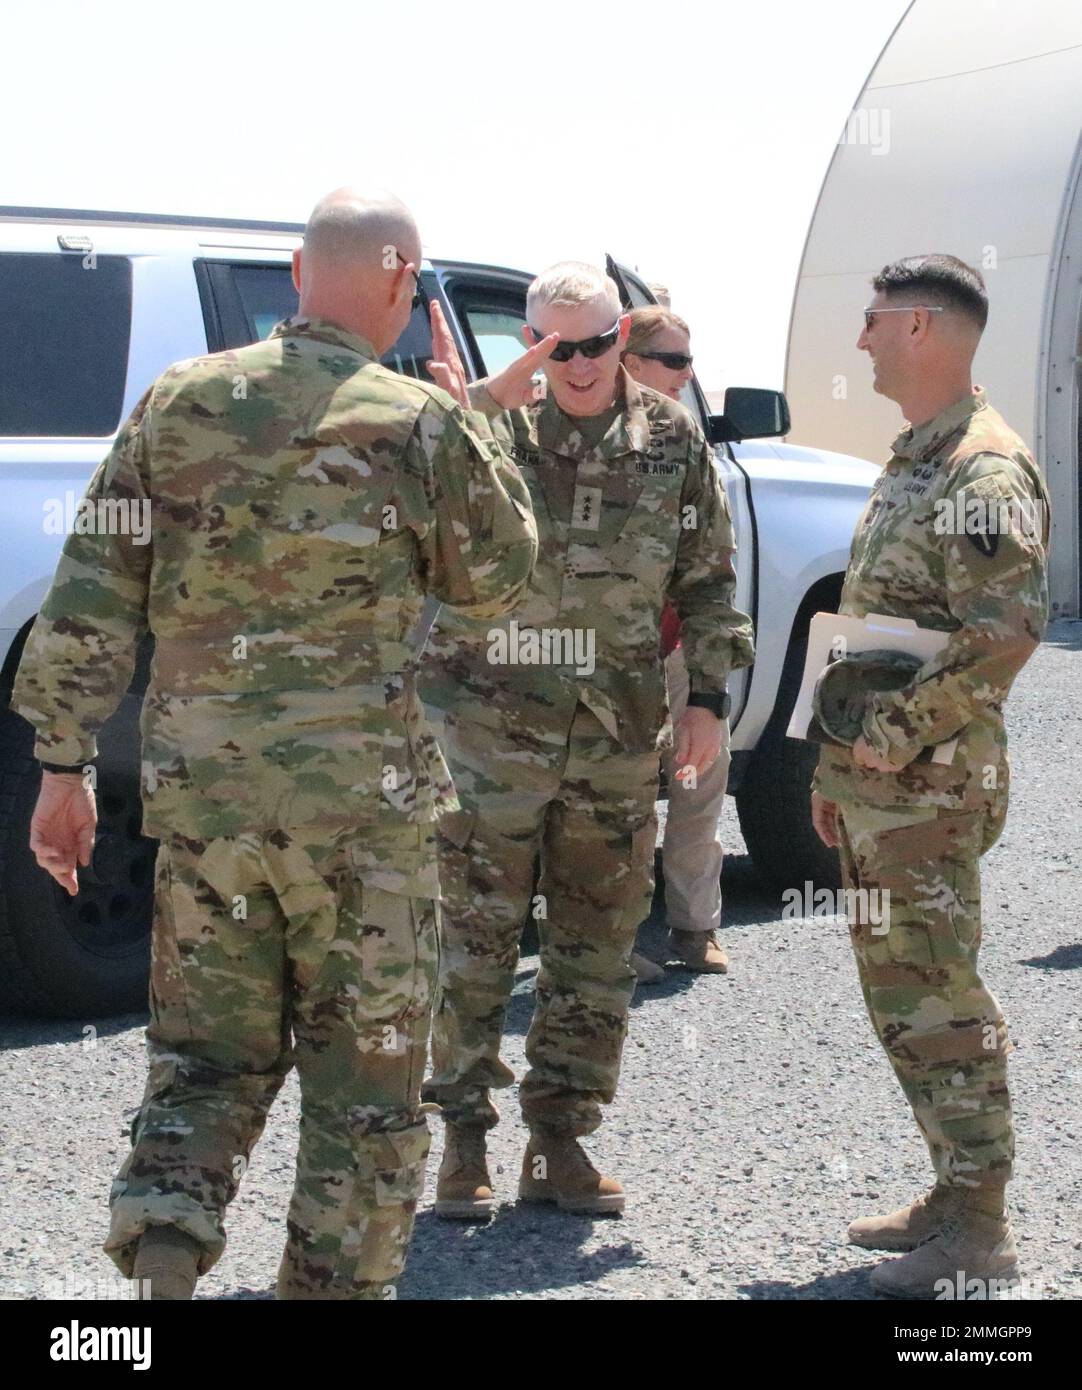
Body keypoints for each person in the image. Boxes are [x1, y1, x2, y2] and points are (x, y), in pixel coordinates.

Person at [12, 187, 547, 1299]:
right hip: (366, 816)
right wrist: (479, 420)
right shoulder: (417, 419)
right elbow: (500, 580)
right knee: (365, 1093)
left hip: (207, 810)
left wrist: (63, 766)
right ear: (403, 280)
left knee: (203, 1063)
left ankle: (164, 1265)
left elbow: (92, 596)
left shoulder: (177, 403)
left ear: (300, 278)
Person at [420, 263, 754, 1218]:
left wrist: (708, 700)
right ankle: (462, 1143)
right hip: (489, 737)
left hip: (614, 734)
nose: (575, 362)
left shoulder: (671, 437)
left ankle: (559, 1141)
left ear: (623, 339)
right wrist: (474, 410)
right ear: (531, 342)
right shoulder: (487, 431)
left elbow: (706, 574)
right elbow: (398, 520)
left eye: (596, 343)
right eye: (554, 345)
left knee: (596, 944)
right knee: (473, 944)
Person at [810, 254, 1050, 1298]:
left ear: (917, 327)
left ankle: (980, 1228)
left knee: (937, 993)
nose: (857, 339)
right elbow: (876, 628)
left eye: (870, 321)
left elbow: (1006, 632)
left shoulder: (980, 471)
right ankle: (950, 1192)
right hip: (877, 784)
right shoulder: (917, 457)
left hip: (928, 784)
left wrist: (891, 737)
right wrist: (835, 766)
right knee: (897, 991)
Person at [623, 306, 731, 976]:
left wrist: (711, 683)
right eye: (673, 360)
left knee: (697, 781)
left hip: (680, 642)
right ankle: (622, 936)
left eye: (688, 360)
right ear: (628, 362)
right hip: (611, 654)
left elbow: (714, 557)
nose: (686, 374)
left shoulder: (686, 440)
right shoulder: (572, 436)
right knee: (622, 796)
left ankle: (695, 929)